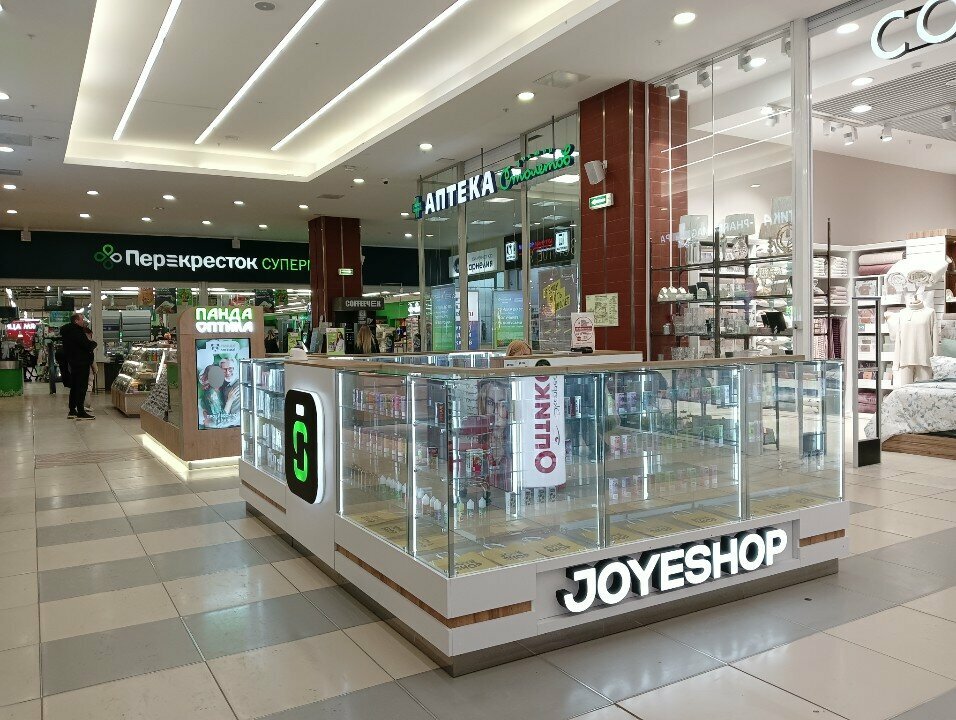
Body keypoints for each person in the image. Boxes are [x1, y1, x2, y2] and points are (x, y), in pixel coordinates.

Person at [59, 313, 96, 419]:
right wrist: (93, 344)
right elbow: (86, 345)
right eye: (81, 319)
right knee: (81, 387)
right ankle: (81, 411)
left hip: (73, 362)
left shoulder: (67, 332)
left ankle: (72, 410)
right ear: (76, 321)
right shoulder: (76, 331)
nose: (83, 321)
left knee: (74, 387)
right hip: (81, 362)